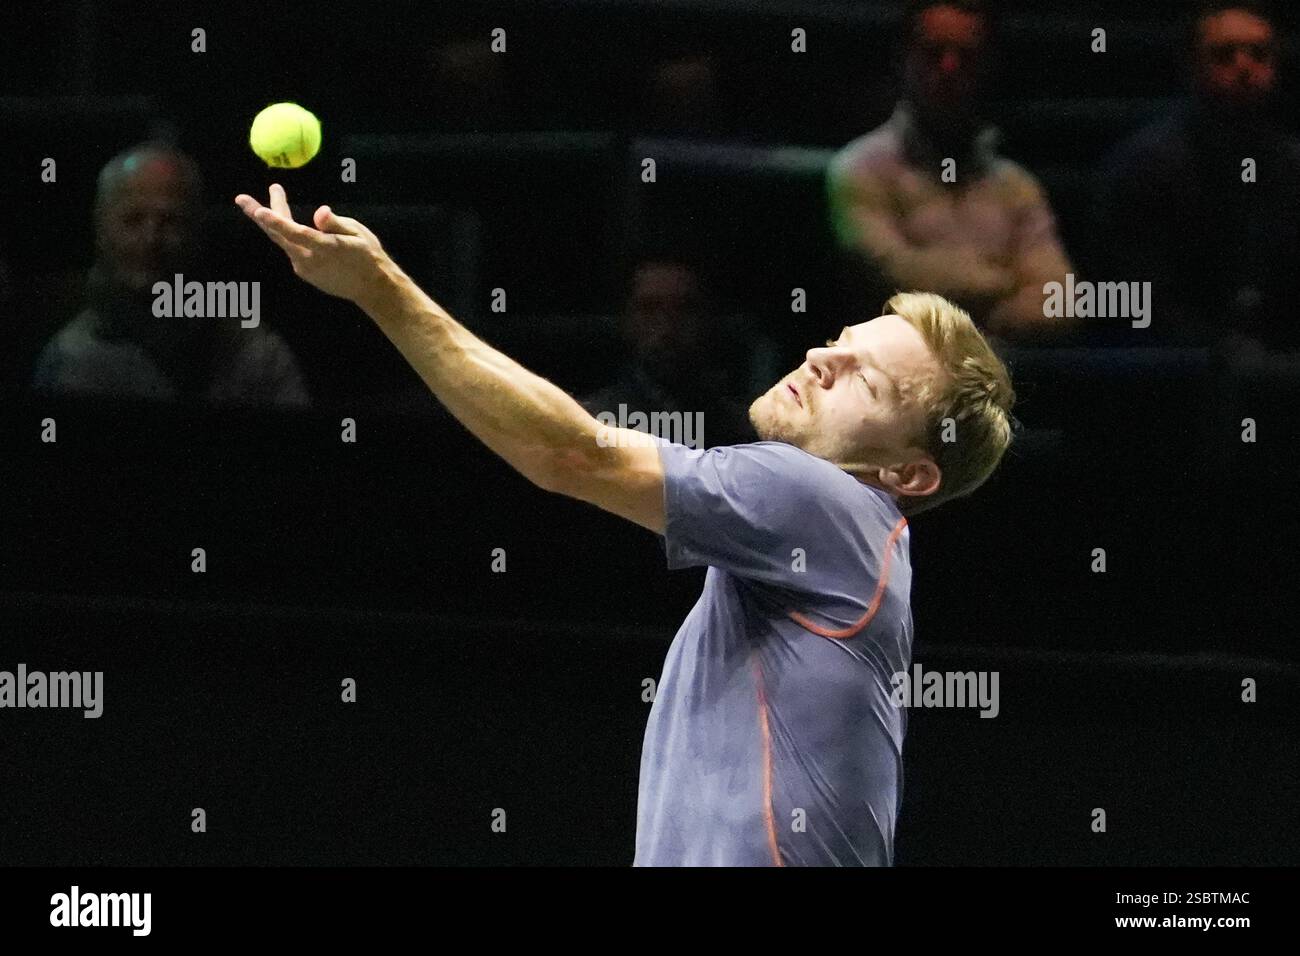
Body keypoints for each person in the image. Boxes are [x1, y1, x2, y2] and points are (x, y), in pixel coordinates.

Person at [234, 183, 1017, 866]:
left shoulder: (825, 502)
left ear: (909, 474)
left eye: (863, 380)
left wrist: (383, 291)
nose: (819, 357)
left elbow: (569, 453)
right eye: (839, 343)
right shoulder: (831, 550)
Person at [827, 0, 1073, 341]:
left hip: (1001, 378)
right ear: (904, 59)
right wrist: (1008, 281)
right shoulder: (860, 168)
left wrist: (984, 329)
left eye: (967, 56)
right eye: (932, 52)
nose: (949, 67)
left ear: (988, 65)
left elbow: (1063, 299)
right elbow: (897, 279)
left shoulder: (1016, 184)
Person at [32, 144, 310, 407]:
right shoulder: (71, 358)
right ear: (101, 228)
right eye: (132, 219)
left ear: (197, 231)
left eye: (171, 221)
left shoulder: (255, 354)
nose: (151, 238)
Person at [1095, 1, 1300, 348]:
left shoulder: (1293, 165)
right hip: (1175, 367)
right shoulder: (1145, 167)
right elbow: (1133, 297)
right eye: (1224, 55)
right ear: (1192, 65)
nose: (1244, 67)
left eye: (1259, 54)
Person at [580, 255, 757, 448]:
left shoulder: (746, 430)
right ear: (627, 320)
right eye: (649, 309)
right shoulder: (593, 425)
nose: (667, 326)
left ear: (708, 318)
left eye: (685, 309)